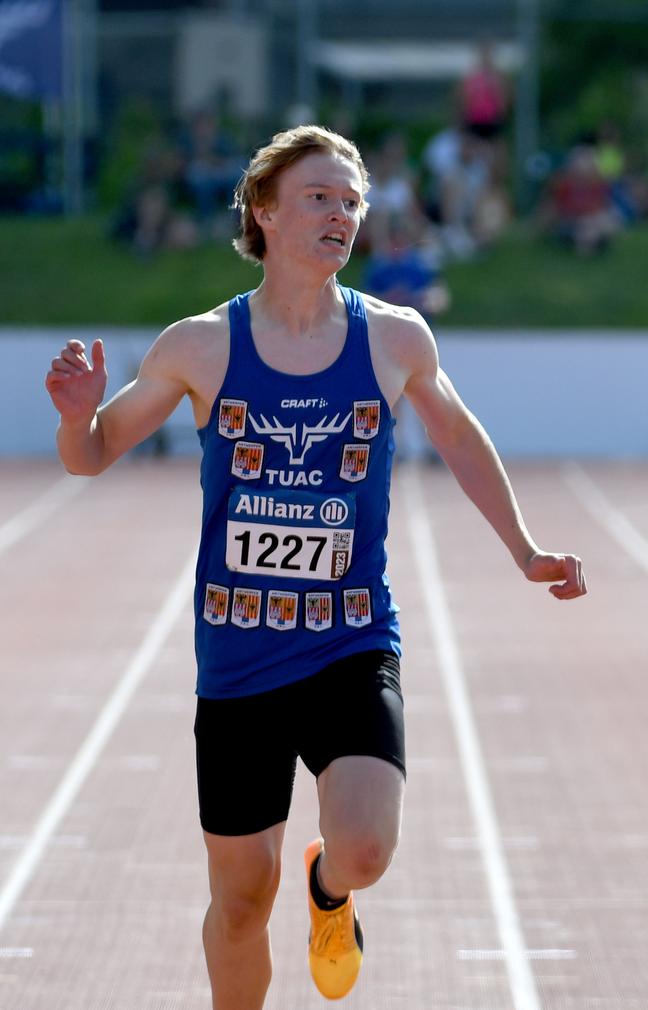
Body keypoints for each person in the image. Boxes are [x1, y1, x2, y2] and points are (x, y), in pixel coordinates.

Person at [41, 125, 586, 1009]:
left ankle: (330, 888)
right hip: (239, 658)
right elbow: (93, 452)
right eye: (319, 197)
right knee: (241, 899)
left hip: (350, 641)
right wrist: (75, 416)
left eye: (352, 199)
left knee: (368, 847)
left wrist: (525, 549)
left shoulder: (394, 340)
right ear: (263, 211)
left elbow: (458, 438)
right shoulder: (202, 346)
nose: (342, 214)